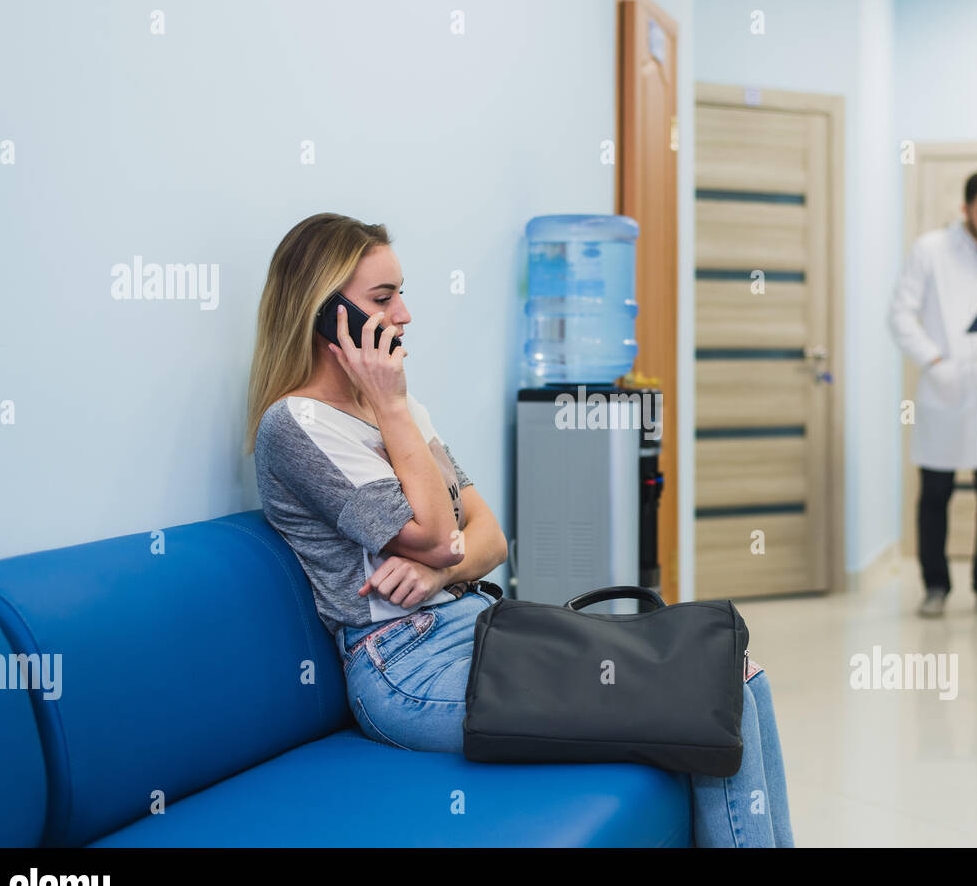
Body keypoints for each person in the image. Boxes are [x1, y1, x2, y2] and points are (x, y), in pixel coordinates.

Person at [244, 213, 794, 847]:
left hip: (478, 627)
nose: (405, 314)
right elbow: (434, 531)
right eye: (383, 298)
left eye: (401, 292)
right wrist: (396, 414)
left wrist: (442, 567)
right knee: (701, 694)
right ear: (326, 316)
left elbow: (489, 538)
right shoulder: (298, 426)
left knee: (735, 672)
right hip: (405, 668)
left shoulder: (401, 410)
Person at [889, 171, 977, 618]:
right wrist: (935, 361)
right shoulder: (929, 250)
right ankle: (935, 586)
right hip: (945, 387)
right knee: (935, 496)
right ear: (966, 209)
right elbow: (900, 315)